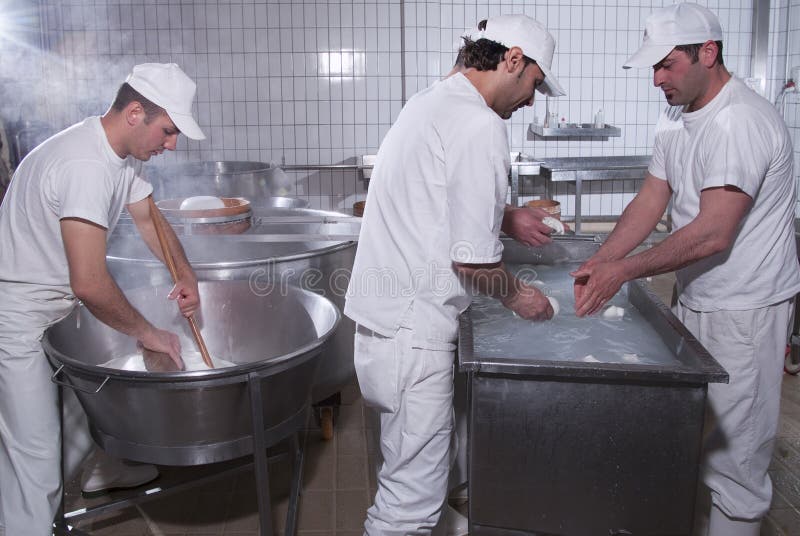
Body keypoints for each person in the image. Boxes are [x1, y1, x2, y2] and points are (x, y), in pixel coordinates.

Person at [570, 4, 800, 535]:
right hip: (697, 298)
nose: (657, 79)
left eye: (667, 65)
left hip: (746, 309)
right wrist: (601, 262)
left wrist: (623, 272)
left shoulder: (739, 121)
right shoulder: (676, 116)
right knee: (694, 434)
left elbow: (713, 232)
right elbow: (650, 201)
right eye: (654, 67)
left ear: (708, 53)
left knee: (736, 461)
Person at [345, 14, 565, 534]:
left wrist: (505, 215)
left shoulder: (429, 103)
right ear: (513, 60)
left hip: (386, 327)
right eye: (535, 84)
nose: (531, 101)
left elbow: (430, 194)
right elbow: (473, 263)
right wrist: (523, 299)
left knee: (414, 466)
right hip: (415, 335)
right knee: (407, 507)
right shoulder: (480, 123)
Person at [0, 62, 206, 535]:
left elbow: (149, 219)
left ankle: (104, 470)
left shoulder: (118, 154)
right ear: (135, 113)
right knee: (35, 457)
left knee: (85, 411)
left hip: (56, 308)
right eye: (168, 130)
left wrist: (186, 274)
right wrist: (149, 333)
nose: (172, 145)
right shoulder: (86, 166)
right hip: (19, 314)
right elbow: (90, 283)